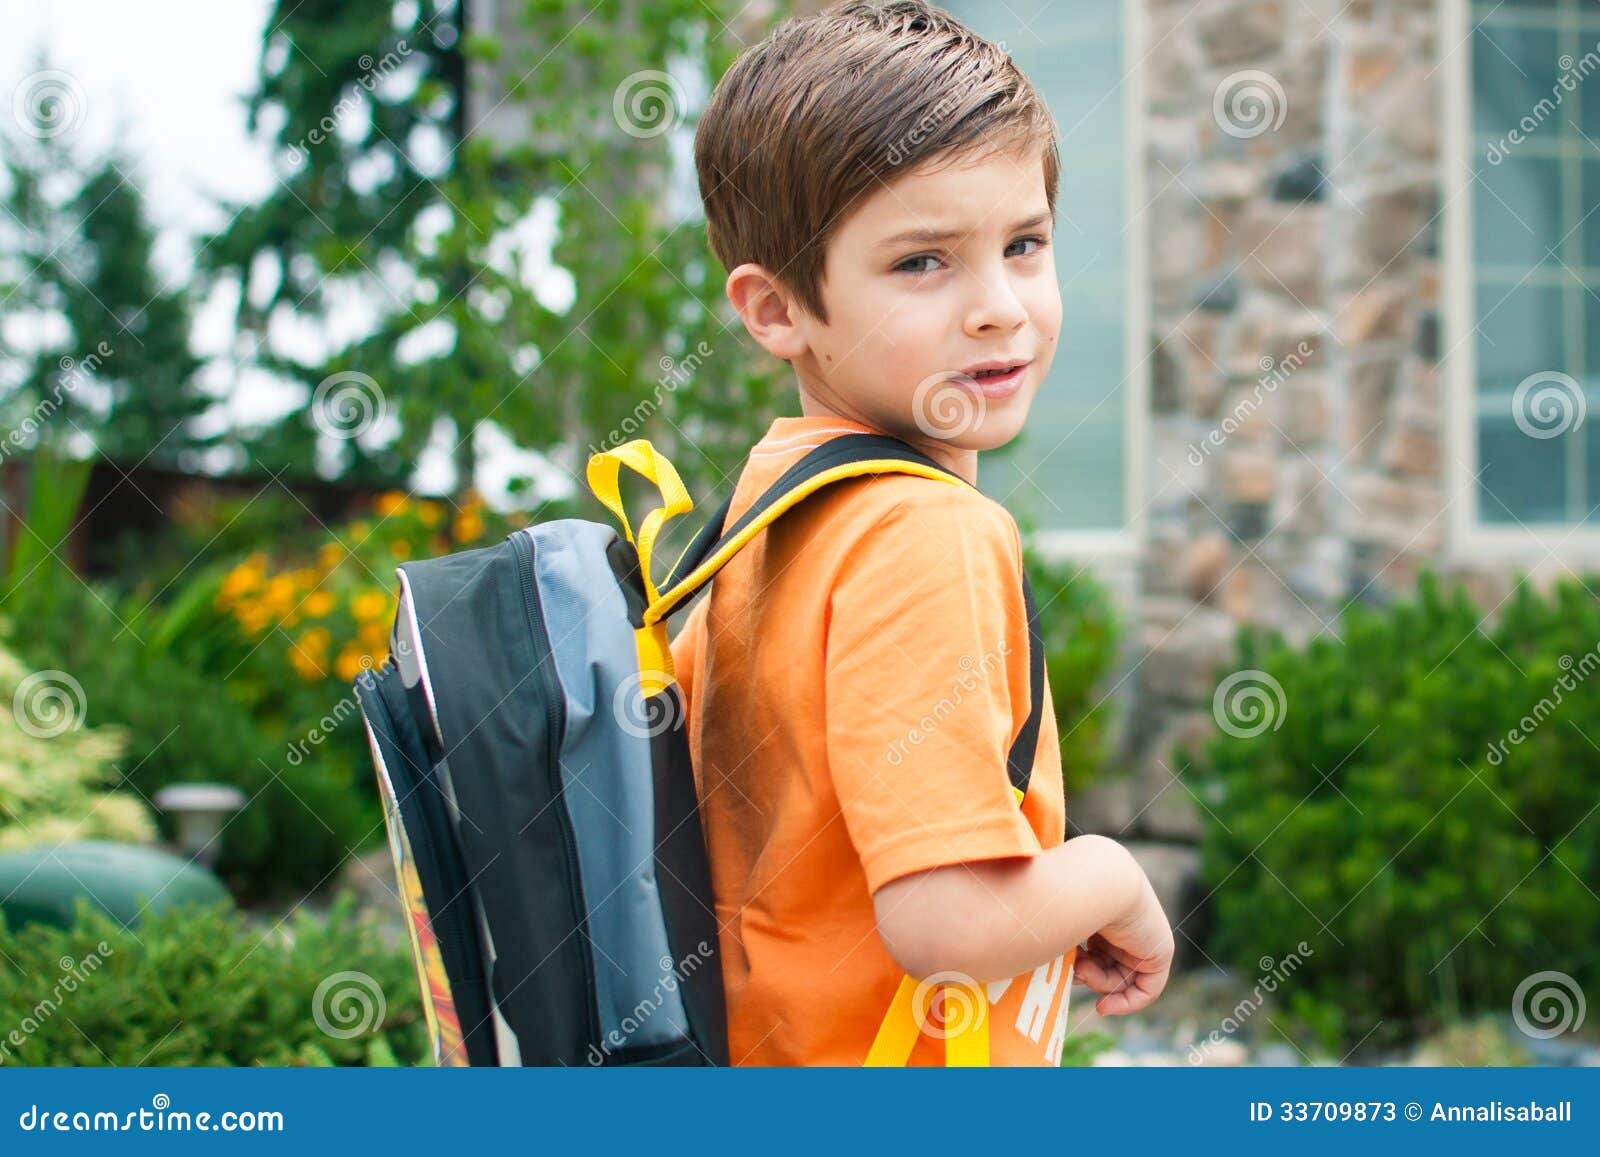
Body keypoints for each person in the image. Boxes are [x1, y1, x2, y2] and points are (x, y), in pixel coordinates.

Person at [669, 0, 1173, 1066]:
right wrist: (1110, 876)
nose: (998, 306)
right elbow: (944, 921)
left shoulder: (761, 518)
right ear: (776, 311)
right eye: (921, 262)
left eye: (1023, 243)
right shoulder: (923, 534)